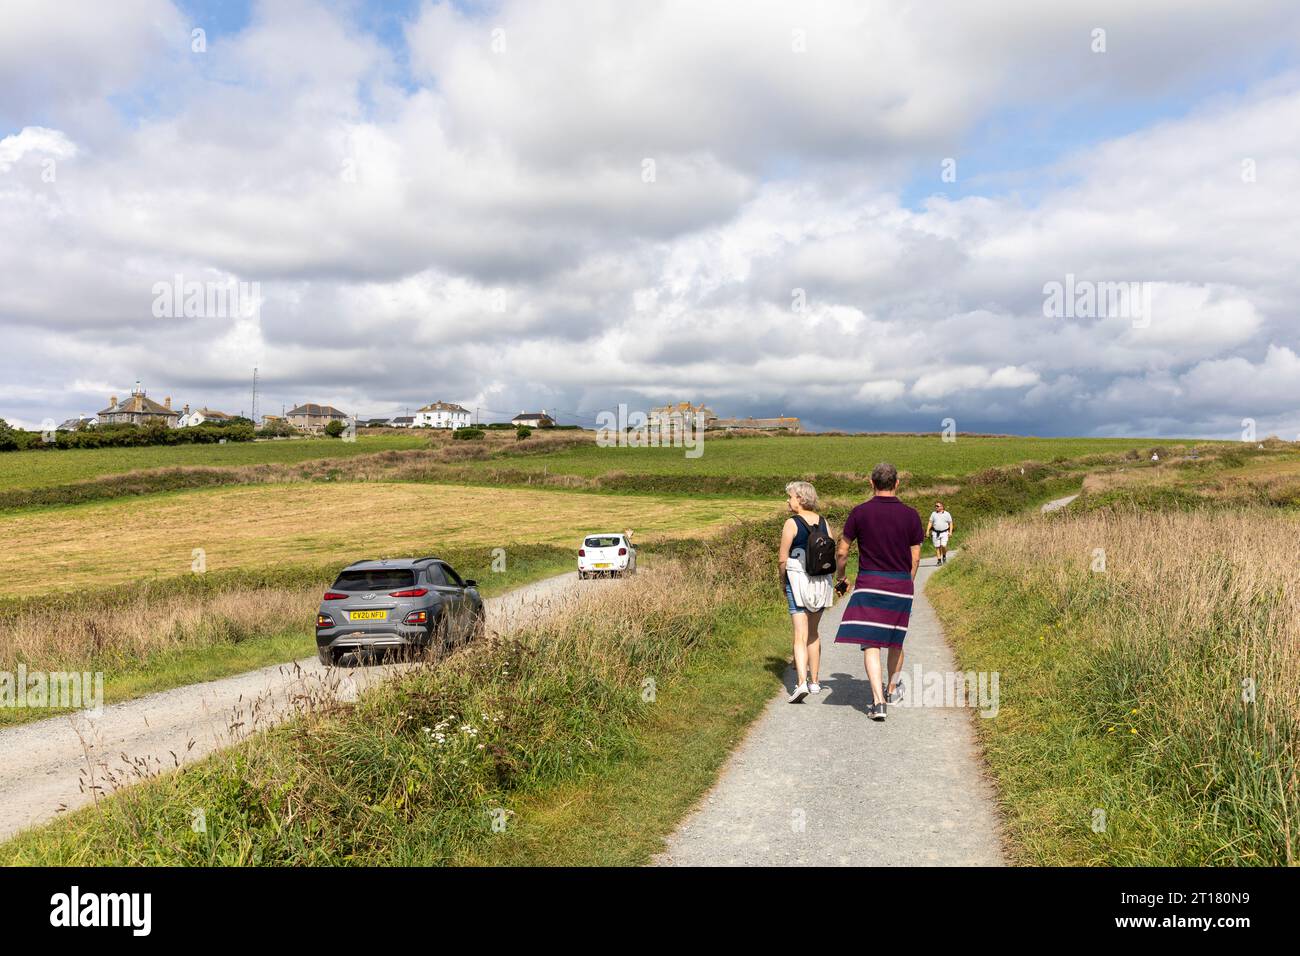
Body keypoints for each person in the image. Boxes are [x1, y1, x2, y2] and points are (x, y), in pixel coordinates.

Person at [833, 462, 923, 722]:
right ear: (897, 483)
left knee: (871, 642)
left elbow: (842, 551)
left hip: (869, 584)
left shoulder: (859, 513)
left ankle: (878, 702)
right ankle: (892, 690)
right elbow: (915, 557)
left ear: (871, 483)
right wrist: (908, 583)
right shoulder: (911, 515)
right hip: (900, 585)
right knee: (896, 640)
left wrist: (841, 578)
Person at [778, 480, 835, 703]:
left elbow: (782, 558)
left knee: (799, 635)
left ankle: (800, 682)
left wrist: (783, 582)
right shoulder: (824, 522)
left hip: (798, 581)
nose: (788, 500)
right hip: (820, 583)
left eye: (790, 496)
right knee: (813, 633)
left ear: (800, 499)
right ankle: (815, 682)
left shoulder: (791, 523)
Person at [925, 501, 954, 565]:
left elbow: (950, 523)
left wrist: (950, 532)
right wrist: (927, 531)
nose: (936, 507)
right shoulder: (933, 514)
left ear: (942, 507)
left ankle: (944, 556)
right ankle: (939, 560)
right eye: (935, 506)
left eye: (937, 506)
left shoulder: (947, 514)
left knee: (943, 545)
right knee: (937, 547)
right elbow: (930, 522)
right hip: (935, 532)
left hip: (944, 532)